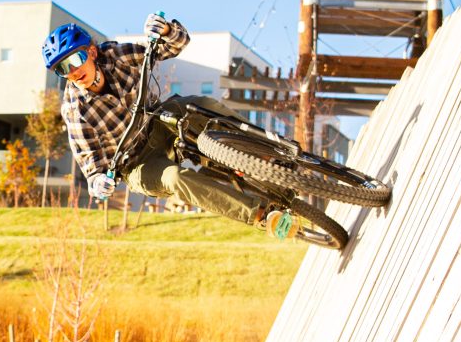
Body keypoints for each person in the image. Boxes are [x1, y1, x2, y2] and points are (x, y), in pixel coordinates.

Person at [43, 15, 310, 241]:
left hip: (160, 122)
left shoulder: (115, 55)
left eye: (75, 60)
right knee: (175, 178)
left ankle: (269, 153)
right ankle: (262, 216)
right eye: (62, 69)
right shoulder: (75, 110)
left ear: (91, 52)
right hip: (136, 163)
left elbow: (172, 47)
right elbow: (91, 164)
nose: (72, 72)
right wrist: (97, 182)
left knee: (201, 105)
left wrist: (166, 31)